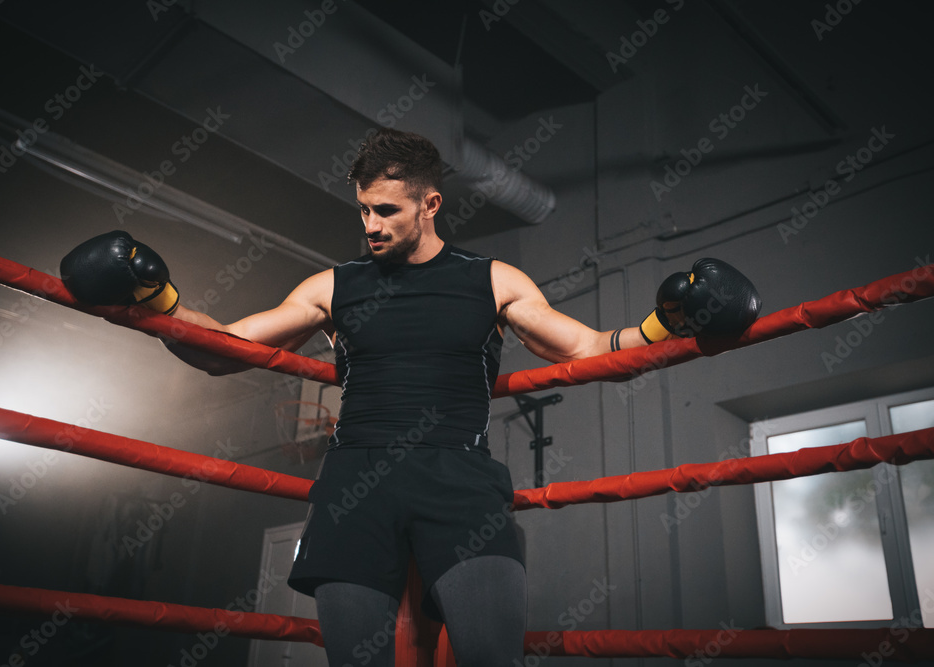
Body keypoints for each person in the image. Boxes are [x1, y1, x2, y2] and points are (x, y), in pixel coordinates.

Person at [60, 128, 760, 666]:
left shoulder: (493, 279)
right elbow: (228, 349)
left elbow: (587, 348)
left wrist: (665, 326)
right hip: (355, 480)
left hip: (459, 476)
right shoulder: (333, 285)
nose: (370, 225)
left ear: (431, 203)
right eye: (363, 209)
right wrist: (160, 301)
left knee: (492, 654)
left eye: (387, 210)